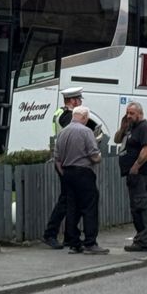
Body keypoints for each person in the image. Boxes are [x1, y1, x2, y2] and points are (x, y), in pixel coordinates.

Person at [54, 106, 108, 254]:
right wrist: (99, 157)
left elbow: (57, 159)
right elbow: (93, 155)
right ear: (84, 117)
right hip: (83, 172)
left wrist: (64, 173)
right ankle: (90, 243)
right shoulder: (86, 132)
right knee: (89, 207)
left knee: (72, 208)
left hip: (68, 172)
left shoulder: (62, 133)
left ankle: (74, 243)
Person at [43, 86, 85, 249]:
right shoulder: (68, 117)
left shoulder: (59, 113)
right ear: (73, 101)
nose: (80, 103)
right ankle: (50, 234)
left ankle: (69, 236)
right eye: (79, 100)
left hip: (63, 160)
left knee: (70, 200)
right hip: (68, 162)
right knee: (66, 200)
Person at [114, 101, 147, 251]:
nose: (129, 116)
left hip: (141, 174)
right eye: (127, 113)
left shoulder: (145, 128)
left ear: (140, 113)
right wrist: (123, 127)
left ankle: (143, 241)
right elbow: (117, 139)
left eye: (132, 113)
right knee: (139, 206)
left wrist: (136, 166)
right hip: (133, 174)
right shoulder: (131, 127)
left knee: (140, 207)